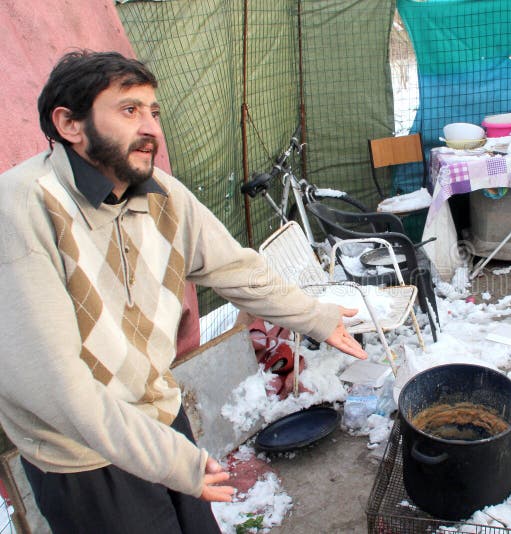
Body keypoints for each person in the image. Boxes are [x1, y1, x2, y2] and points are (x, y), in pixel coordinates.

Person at [0, 50, 367, 533]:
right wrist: (175, 462)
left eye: (154, 112)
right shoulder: (22, 212)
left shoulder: (161, 194)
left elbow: (236, 269)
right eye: (129, 110)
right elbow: (56, 388)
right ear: (69, 123)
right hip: (82, 456)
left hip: (158, 415)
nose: (150, 127)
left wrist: (314, 316)